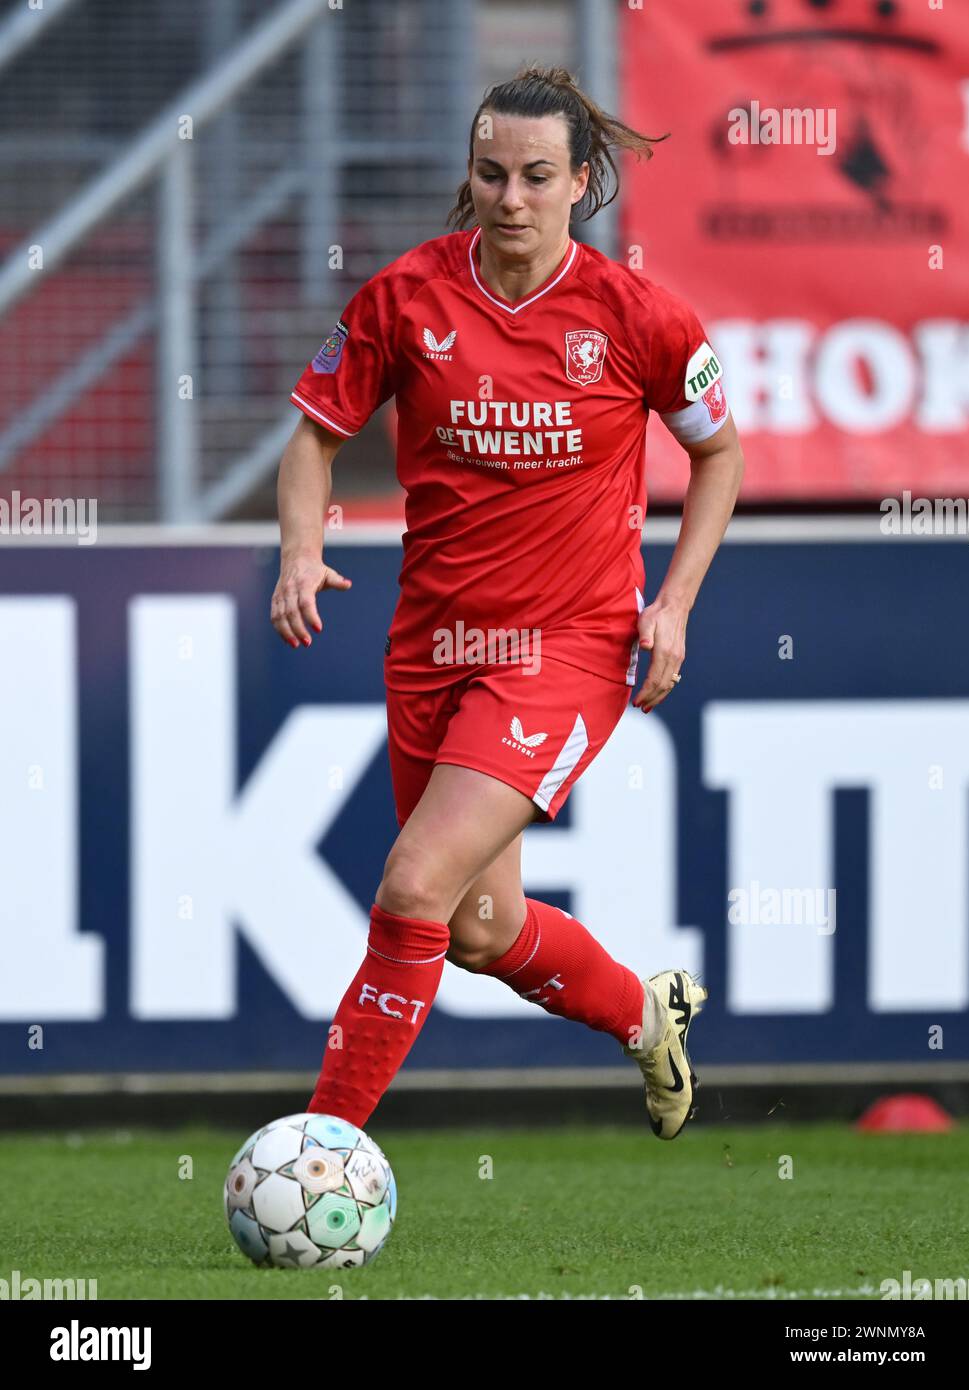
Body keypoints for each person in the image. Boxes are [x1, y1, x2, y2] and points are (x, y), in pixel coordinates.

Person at [272, 66, 744, 1140]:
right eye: (491, 173)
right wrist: (302, 546)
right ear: (470, 175)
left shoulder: (638, 318)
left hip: (567, 649)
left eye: (537, 175)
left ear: (582, 181)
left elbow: (719, 454)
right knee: (480, 928)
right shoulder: (405, 298)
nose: (511, 197)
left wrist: (672, 605)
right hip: (430, 647)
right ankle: (644, 1011)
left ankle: (322, 1152)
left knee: (412, 884)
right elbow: (313, 436)